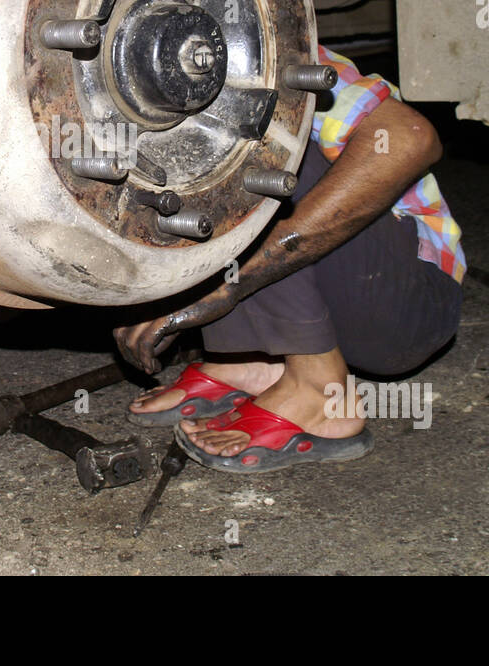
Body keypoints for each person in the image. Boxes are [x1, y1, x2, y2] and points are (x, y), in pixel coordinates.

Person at [114, 46, 465, 472]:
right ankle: (252, 359)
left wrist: (235, 282)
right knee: (186, 150)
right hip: (340, 314)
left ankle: (319, 391)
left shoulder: (274, 45)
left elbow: (411, 137)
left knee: (259, 138)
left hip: (405, 306)